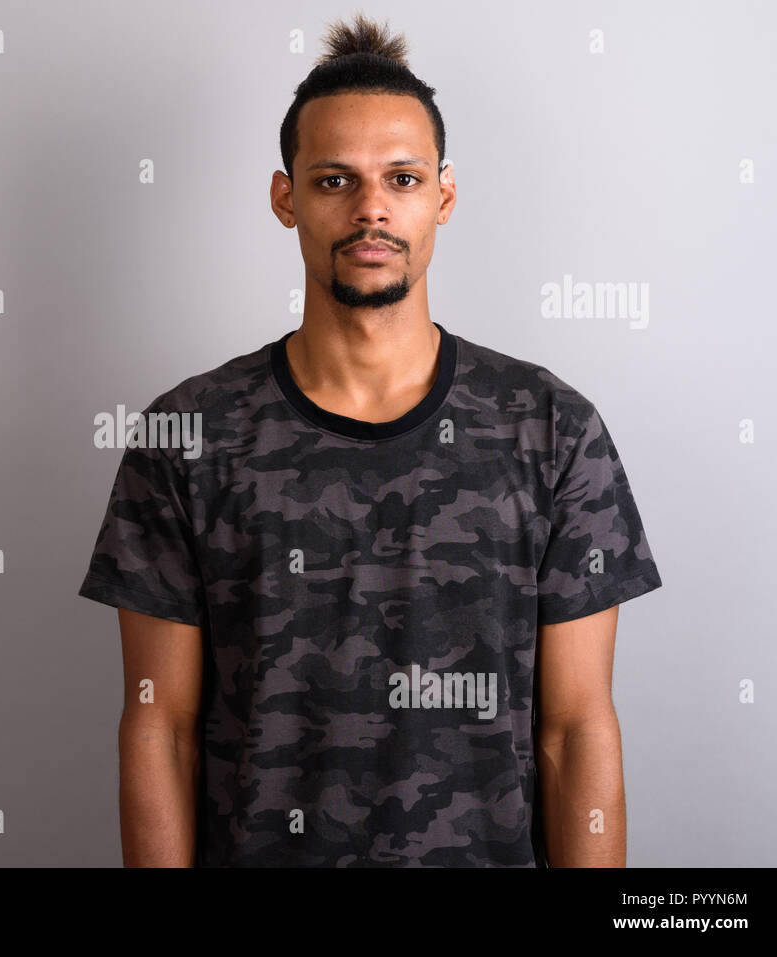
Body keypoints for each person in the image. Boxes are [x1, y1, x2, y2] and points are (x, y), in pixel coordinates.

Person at [77, 14, 663, 867]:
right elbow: (157, 724)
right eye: (333, 181)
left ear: (444, 196)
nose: (372, 208)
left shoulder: (552, 429)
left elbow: (576, 730)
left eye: (402, 177)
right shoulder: (185, 436)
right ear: (286, 198)